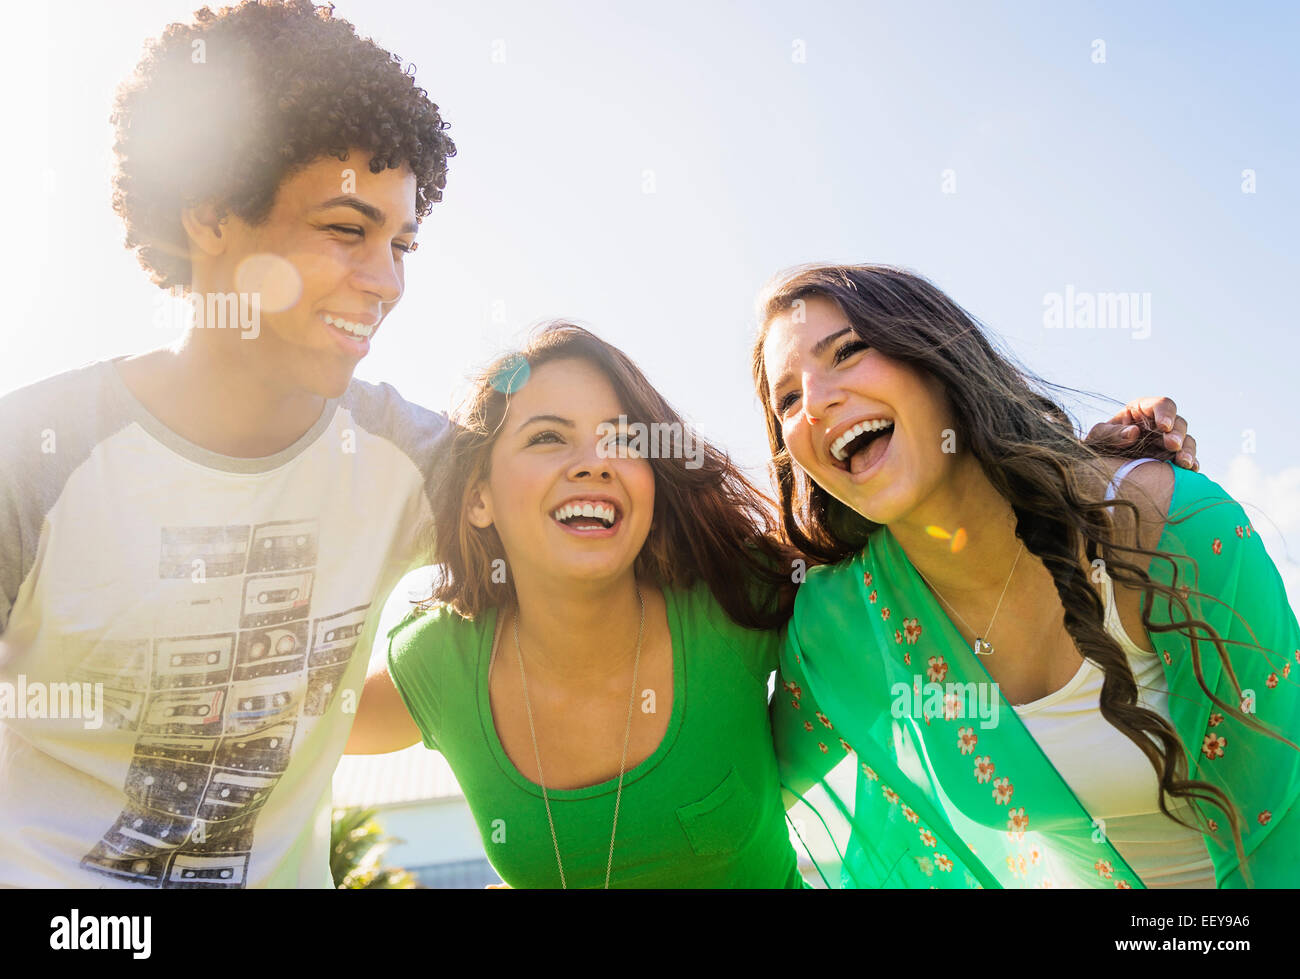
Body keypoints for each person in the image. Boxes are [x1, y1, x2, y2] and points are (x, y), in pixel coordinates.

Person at [347, 322, 1200, 888]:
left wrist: (1072, 467)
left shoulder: (734, 594)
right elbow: (277, 716)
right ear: (479, 499)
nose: (594, 462)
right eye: (546, 438)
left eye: (621, 438)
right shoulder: (440, 660)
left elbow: (922, 540)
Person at [0, 0, 455, 887]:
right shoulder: (32, 457)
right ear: (210, 216)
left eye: (402, 241)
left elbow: (620, 520)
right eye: (345, 230)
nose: (386, 280)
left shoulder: (407, 458)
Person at [755, 263, 1299, 888]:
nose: (817, 404)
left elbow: (1280, 828)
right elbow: (742, 798)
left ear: (938, 355)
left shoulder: (1164, 525)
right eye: (788, 400)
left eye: (847, 352)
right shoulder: (843, 618)